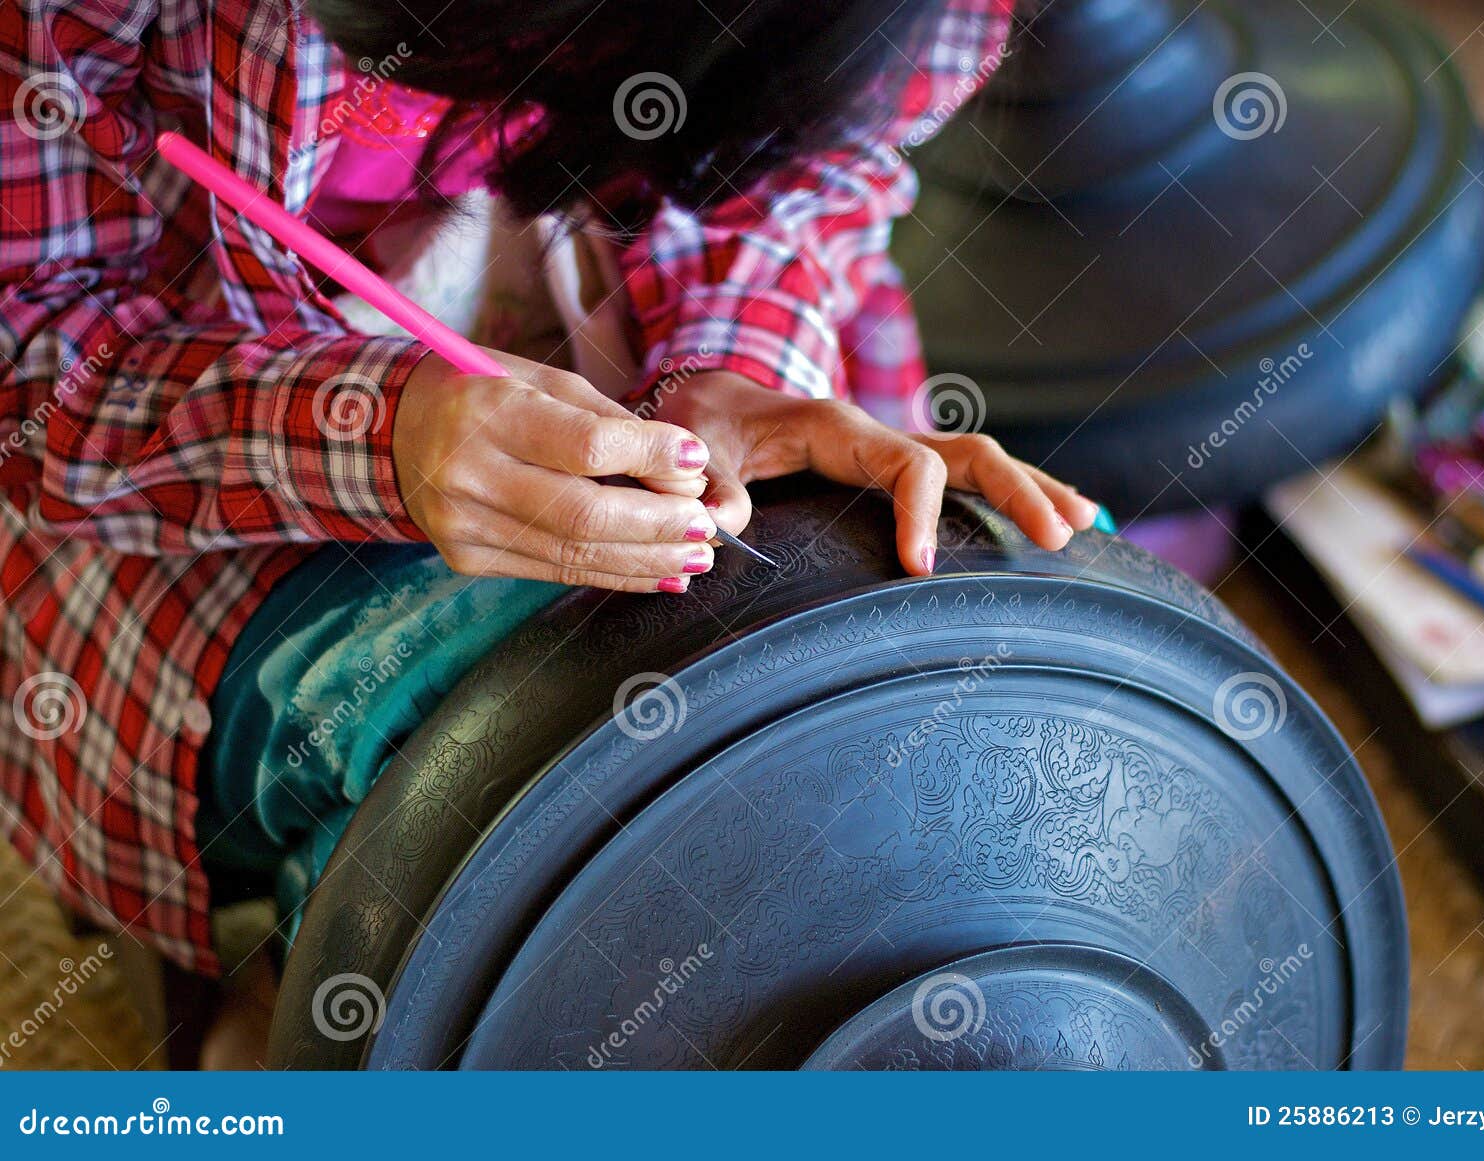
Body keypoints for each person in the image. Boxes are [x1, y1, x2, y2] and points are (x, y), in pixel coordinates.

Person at [0, 0, 1096, 1062]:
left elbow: (801, 169)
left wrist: (729, 371)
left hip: (629, 345)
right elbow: (34, 345)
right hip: (186, 480)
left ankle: (330, 1003)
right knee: (511, 788)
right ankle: (328, 1003)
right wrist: (374, 436)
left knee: (864, 709)